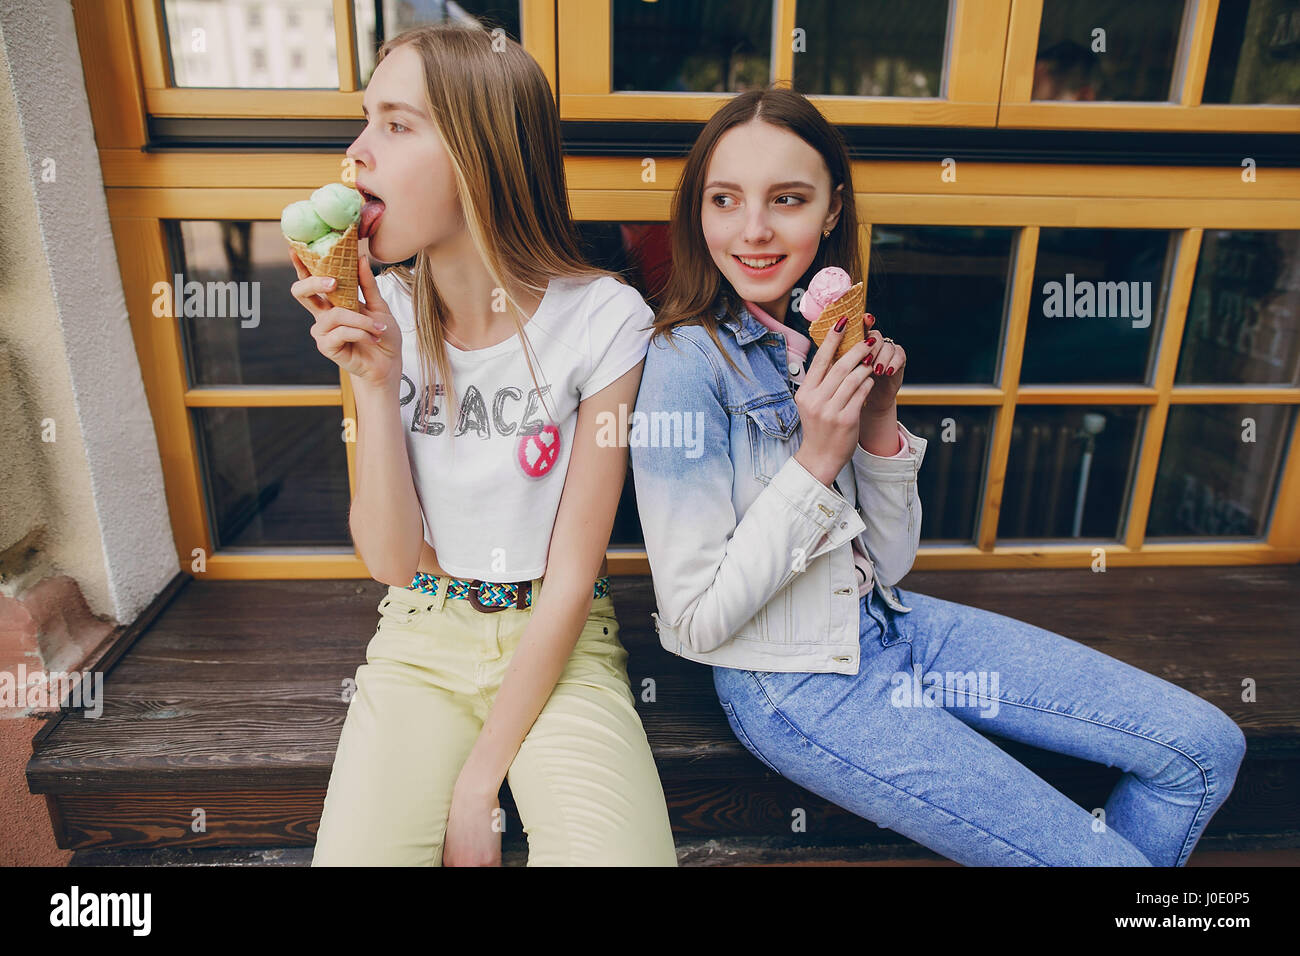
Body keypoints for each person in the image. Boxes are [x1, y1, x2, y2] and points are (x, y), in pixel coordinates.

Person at [629, 86, 1245, 866]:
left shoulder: (818, 340)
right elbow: (693, 622)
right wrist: (817, 460)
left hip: (895, 625)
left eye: (787, 199)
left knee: (1202, 751)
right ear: (699, 211)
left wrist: (878, 426)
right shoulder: (684, 363)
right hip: (796, 683)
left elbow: (888, 564)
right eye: (725, 199)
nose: (753, 229)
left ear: (830, 212)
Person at [295, 22, 676, 866]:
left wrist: (478, 786)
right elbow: (394, 561)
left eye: (397, 125)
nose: (355, 153)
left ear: (482, 151)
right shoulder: (378, 311)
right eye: (365, 120)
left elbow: (574, 573)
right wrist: (372, 381)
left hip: (561, 637)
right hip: (421, 632)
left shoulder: (606, 320)